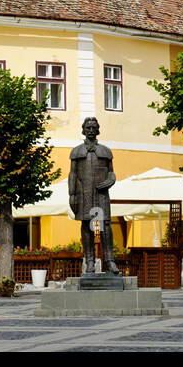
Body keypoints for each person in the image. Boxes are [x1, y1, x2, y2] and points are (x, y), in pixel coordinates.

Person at [68, 116, 119, 275]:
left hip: (101, 194)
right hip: (84, 194)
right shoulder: (77, 151)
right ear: (83, 130)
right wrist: (72, 195)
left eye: (93, 128)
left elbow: (111, 172)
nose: (90, 130)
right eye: (88, 128)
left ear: (97, 130)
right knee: (86, 225)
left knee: (105, 225)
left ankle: (109, 260)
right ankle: (89, 261)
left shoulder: (105, 151)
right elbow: (73, 175)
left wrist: (111, 180)